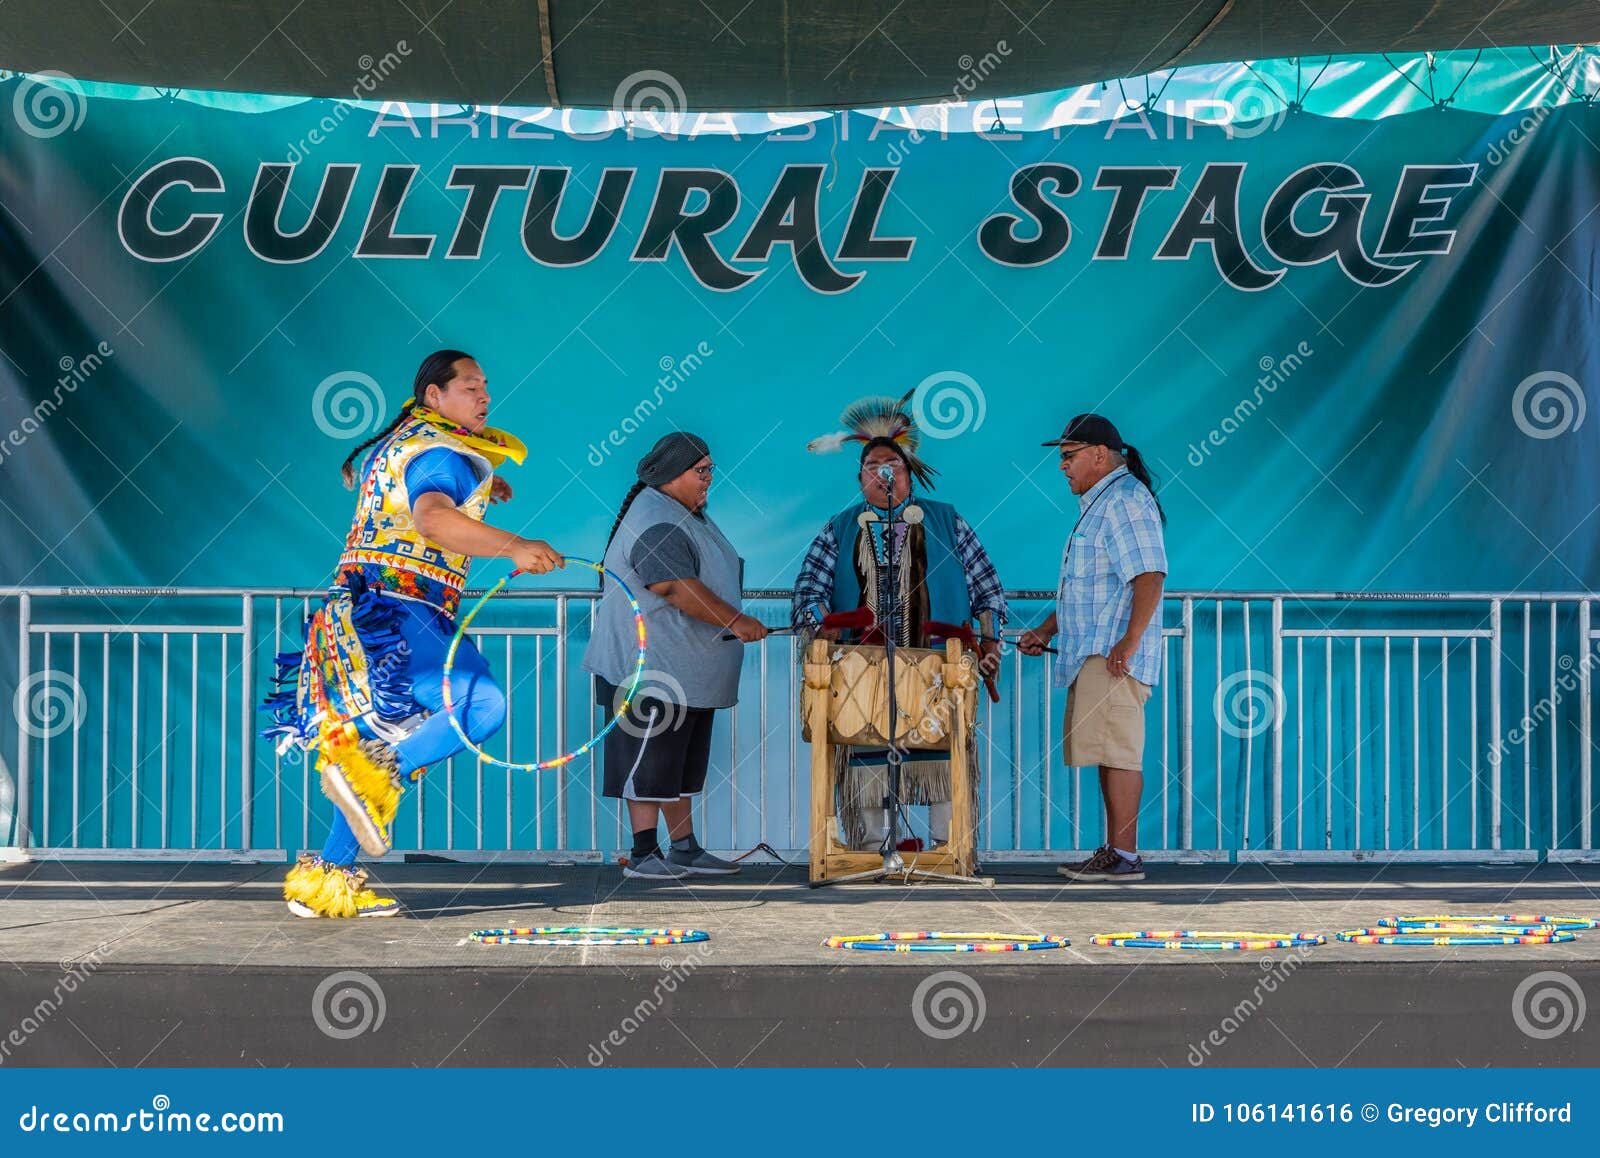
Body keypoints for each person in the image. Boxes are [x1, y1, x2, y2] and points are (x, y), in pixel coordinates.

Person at [264, 349, 563, 917]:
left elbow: (420, 501)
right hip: (404, 610)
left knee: (390, 736)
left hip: (358, 617)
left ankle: (327, 879)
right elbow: (432, 518)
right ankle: (377, 775)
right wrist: (515, 545)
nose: (485, 397)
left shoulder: (405, 444)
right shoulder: (445, 453)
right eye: (471, 387)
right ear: (434, 396)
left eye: (485, 387)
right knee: (481, 708)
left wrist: (478, 489)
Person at [793, 393, 1007, 850]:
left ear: (909, 474)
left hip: (935, 666)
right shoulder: (839, 526)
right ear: (859, 478)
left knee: (943, 754)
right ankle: (871, 851)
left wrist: (989, 645)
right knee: (863, 754)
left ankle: (948, 852)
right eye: (872, 465)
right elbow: (808, 593)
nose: (882, 472)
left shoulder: (947, 522)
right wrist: (820, 630)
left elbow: (986, 588)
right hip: (860, 669)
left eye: (892, 463)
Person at [584, 432, 766, 879]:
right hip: (649, 671)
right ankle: (644, 853)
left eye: (710, 472)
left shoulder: (684, 513)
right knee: (648, 762)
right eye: (701, 472)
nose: (708, 480)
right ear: (672, 475)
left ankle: (683, 848)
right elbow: (671, 585)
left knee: (678, 765)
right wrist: (734, 621)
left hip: (685, 670)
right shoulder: (655, 516)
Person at [1018, 413, 1166, 882]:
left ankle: (1125, 856)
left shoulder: (1124, 500)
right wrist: (1046, 629)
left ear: (1099, 455)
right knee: (1108, 751)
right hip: (1099, 650)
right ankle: (1115, 851)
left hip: (1113, 654)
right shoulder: (1104, 504)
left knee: (1120, 752)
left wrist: (1129, 641)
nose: (1062, 467)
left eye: (1068, 457)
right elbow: (1087, 589)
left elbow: (1149, 575)